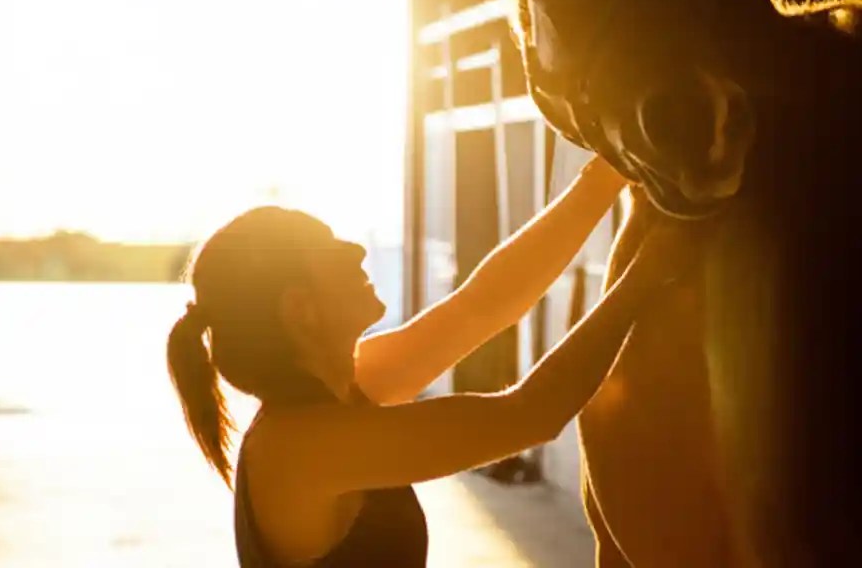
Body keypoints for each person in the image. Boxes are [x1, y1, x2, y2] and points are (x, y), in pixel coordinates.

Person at [167, 156, 695, 567]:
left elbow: (480, 306)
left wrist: (602, 179)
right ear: (300, 310)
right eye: (329, 250)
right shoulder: (302, 447)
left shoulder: (346, 385)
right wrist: (643, 280)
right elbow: (531, 415)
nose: (357, 252)